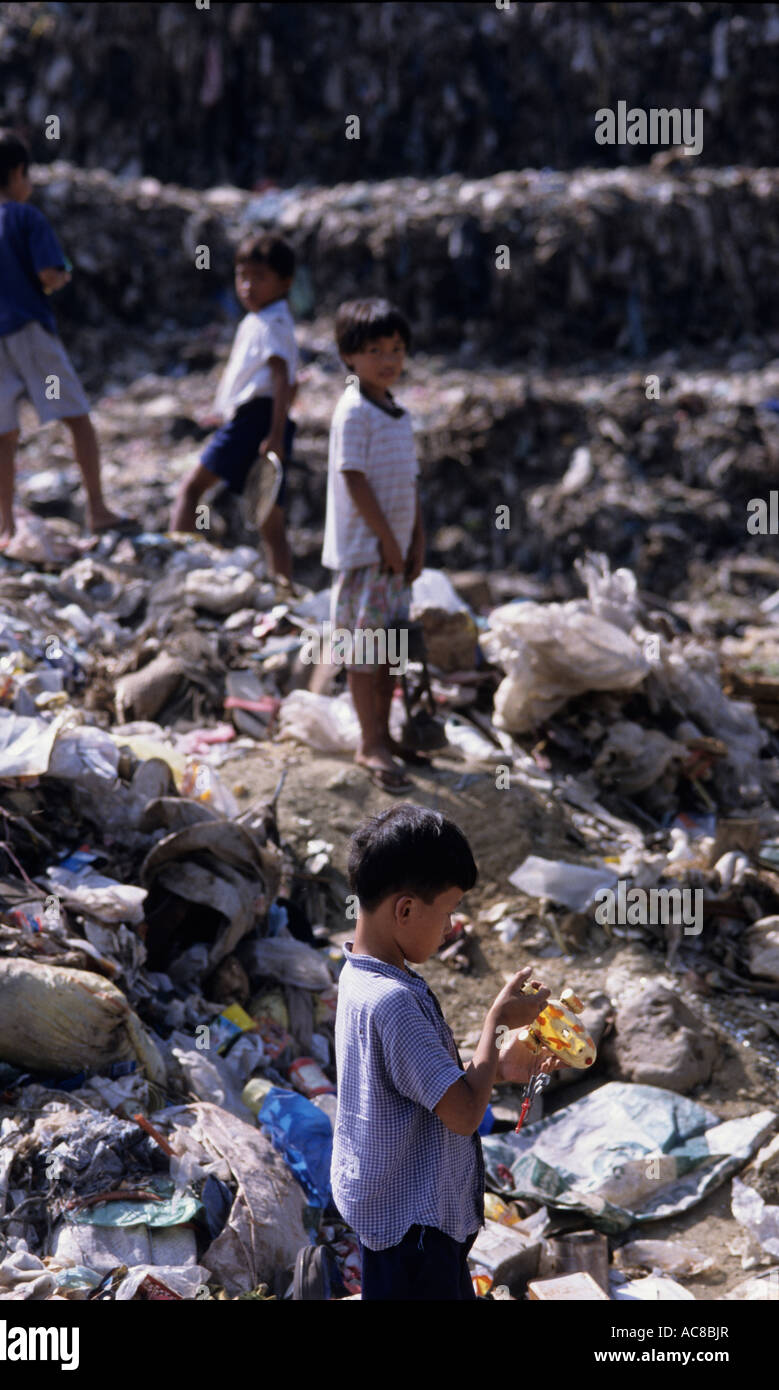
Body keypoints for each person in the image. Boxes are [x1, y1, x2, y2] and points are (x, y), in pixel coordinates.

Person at [331, 803, 561, 1301]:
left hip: (393, 1219)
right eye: (449, 910)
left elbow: (421, 1080)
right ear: (407, 909)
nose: (453, 926)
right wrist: (496, 1024)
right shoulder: (393, 1002)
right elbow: (460, 1113)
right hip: (414, 1234)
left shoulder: (361, 975)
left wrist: (498, 1066)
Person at [0, 127, 126, 546]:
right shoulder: (26, 217)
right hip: (29, 333)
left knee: (0, 436)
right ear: (17, 173)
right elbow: (49, 273)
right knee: (76, 418)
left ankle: (7, 525)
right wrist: (56, 279)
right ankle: (98, 509)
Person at [321, 299, 425, 793]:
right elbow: (354, 480)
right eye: (375, 350)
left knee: (390, 651)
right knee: (364, 652)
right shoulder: (353, 412)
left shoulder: (399, 415)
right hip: (366, 556)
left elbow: (410, 483)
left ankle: (385, 733)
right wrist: (387, 540)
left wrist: (415, 539)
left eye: (397, 349)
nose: (388, 359)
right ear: (348, 356)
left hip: (394, 557)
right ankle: (369, 742)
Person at [169, 232, 298, 584]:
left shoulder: (272, 322)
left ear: (285, 282)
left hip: (257, 420)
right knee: (270, 518)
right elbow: (289, 381)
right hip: (260, 419)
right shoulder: (267, 319)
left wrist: (274, 434)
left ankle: (174, 558)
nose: (247, 286)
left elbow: (282, 378)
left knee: (191, 488)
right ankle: (283, 585)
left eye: (259, 278)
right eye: (242, 277)